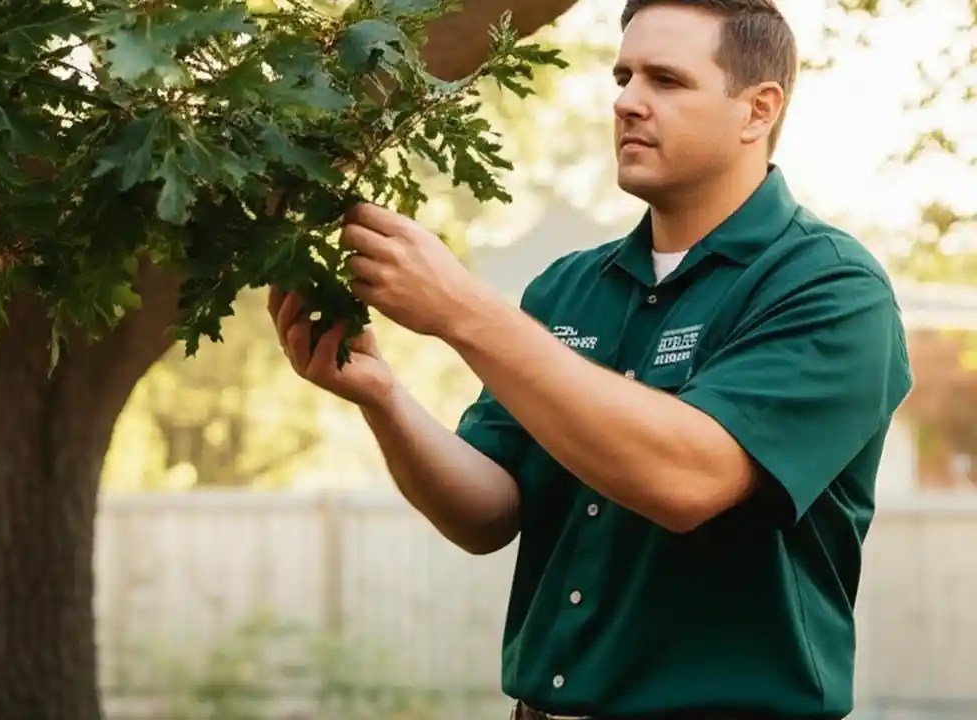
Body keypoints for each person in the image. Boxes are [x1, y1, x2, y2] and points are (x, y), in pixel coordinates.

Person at [267, 0, 913, 718]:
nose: (626, 102)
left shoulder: (831, 288)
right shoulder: (568, 287)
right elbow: (487, 512)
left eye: (665, 81)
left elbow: (686, 479)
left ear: (757, 109)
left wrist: (462, 311)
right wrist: (381, 394)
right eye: (623, 75)